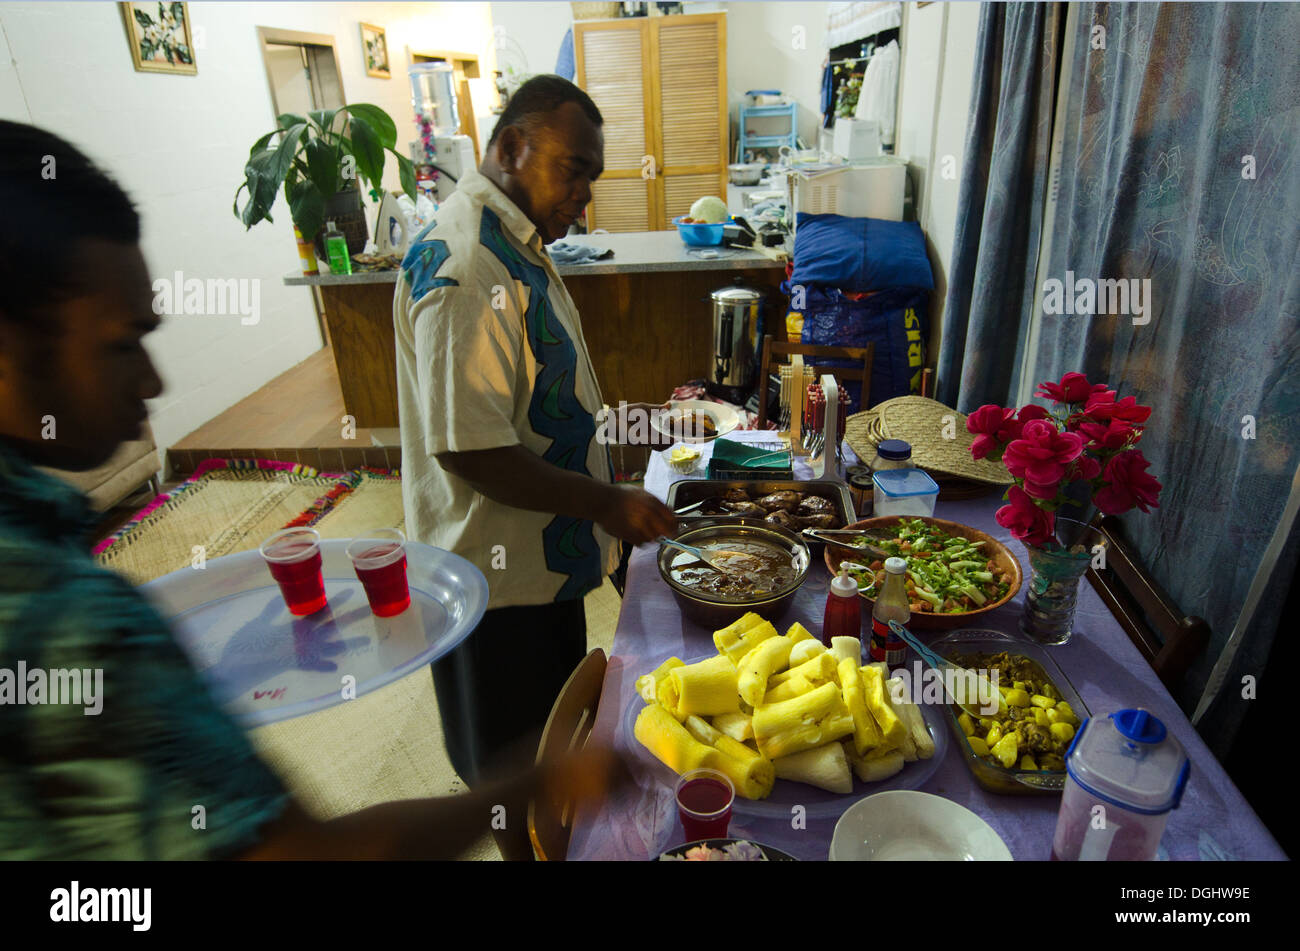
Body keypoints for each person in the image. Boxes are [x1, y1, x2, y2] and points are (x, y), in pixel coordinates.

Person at [0, 119, 614, 860]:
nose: (154, 379)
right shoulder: (63, 619)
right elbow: (303, 855)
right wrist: (542, 781)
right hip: (502, 569)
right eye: (121, 342)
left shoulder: (514, 242)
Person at [393, 75, 677, 857]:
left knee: (545, 753)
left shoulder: (513, 239)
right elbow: (472, 446)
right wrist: (605, 502)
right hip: (494, 584)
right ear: (511, 146)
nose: (583, 193)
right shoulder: (467, 265)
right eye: (572, 169)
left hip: (533, 567)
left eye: (591, 175)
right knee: (513, 778)